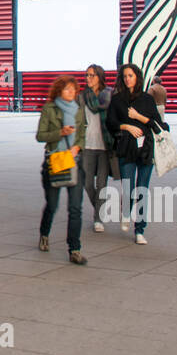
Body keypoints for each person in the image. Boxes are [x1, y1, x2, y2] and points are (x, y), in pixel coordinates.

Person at [106, 62, 163, 244]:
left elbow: (158, 124)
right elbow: (110, 123)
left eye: (130, 75)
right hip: (126, 147)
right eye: (125, 76)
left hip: (145, 148)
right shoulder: (117, 100)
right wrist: (127, 126)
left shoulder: (147, 99)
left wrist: (138, 117)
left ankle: (140, 229)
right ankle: (125, 213)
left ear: (137, 77)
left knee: (142, 189)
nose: (127, 79)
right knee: (128, 186)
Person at [34, 75, 88, 264]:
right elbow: (40, 136)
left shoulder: (79, 111)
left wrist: (77, 146)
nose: (71, 93)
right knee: (52, 205)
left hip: (74, 161)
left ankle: (74, 249)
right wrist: (60, 133)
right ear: (59, 91)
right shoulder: (50, 109)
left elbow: (82, 134)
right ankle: (44, 233)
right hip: (55, 161)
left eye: (74, 89)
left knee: (75, 208)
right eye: (67, 89)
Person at [75, 64, 115, 235]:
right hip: (88, 145)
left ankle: (98, 218)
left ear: (100, 76)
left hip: (106, 146)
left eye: (92, 75)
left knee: (101, 184)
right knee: (88, 184)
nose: (88, 78)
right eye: (87, 75)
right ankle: (100, 208)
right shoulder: (82, 96)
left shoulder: (110, 95)